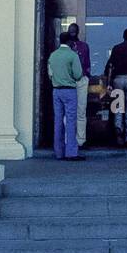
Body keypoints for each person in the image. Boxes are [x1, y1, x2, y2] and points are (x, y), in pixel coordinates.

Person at [49, 32, 86, 161]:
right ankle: (71, 152)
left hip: (56, 90)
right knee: (71, 121)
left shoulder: (53, 56)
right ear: (70, 42)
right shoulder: (72, 55)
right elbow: (78, 75)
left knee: (58, 120)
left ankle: (59, 151)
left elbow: (50, 74)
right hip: (69, 90)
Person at [67, 22, 91, 149]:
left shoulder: (84, 46)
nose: (72, 33)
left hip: (81, 80)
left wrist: (86, 75)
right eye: (70, 30)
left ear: (78, 32)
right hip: (68, 81)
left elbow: (87, 63)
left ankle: (81, 140)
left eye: (74, 30)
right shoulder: (65, 48)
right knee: (69, 112)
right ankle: (68, 140)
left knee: (81, 111)